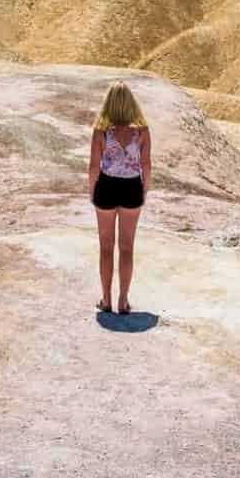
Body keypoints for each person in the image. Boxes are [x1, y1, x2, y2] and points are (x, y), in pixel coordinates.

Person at [87, 80, 151, 315]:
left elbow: (94, 166)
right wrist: (144, 191)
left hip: (106, 186)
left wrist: (92, 190)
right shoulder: (142, 132)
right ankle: (123, 300)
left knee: (106, 247)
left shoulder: (101, 131)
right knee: (126, 247)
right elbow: (147, 166)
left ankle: (106, 300)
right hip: (132, 187)